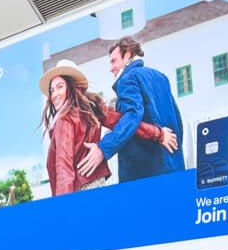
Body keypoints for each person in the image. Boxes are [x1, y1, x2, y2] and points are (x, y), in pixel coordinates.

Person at [40, 59, 177, 196]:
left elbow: (64, 169)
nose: (55, 94)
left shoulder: (64, 119)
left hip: (77, 190)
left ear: (71, 87)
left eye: (60, 87)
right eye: (52, 90)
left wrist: (61, 207)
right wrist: (159, 134)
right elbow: (125, 124)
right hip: (97, 183)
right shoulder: (92, 109)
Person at [77, 37, 184, 183]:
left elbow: (132, 116)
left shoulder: (128, 78)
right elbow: (177, 121)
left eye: (113, 61)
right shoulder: (161, 77)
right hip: (173, 168)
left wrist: (103, 148)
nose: (111, 68)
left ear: (128, 55)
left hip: (145, 175)